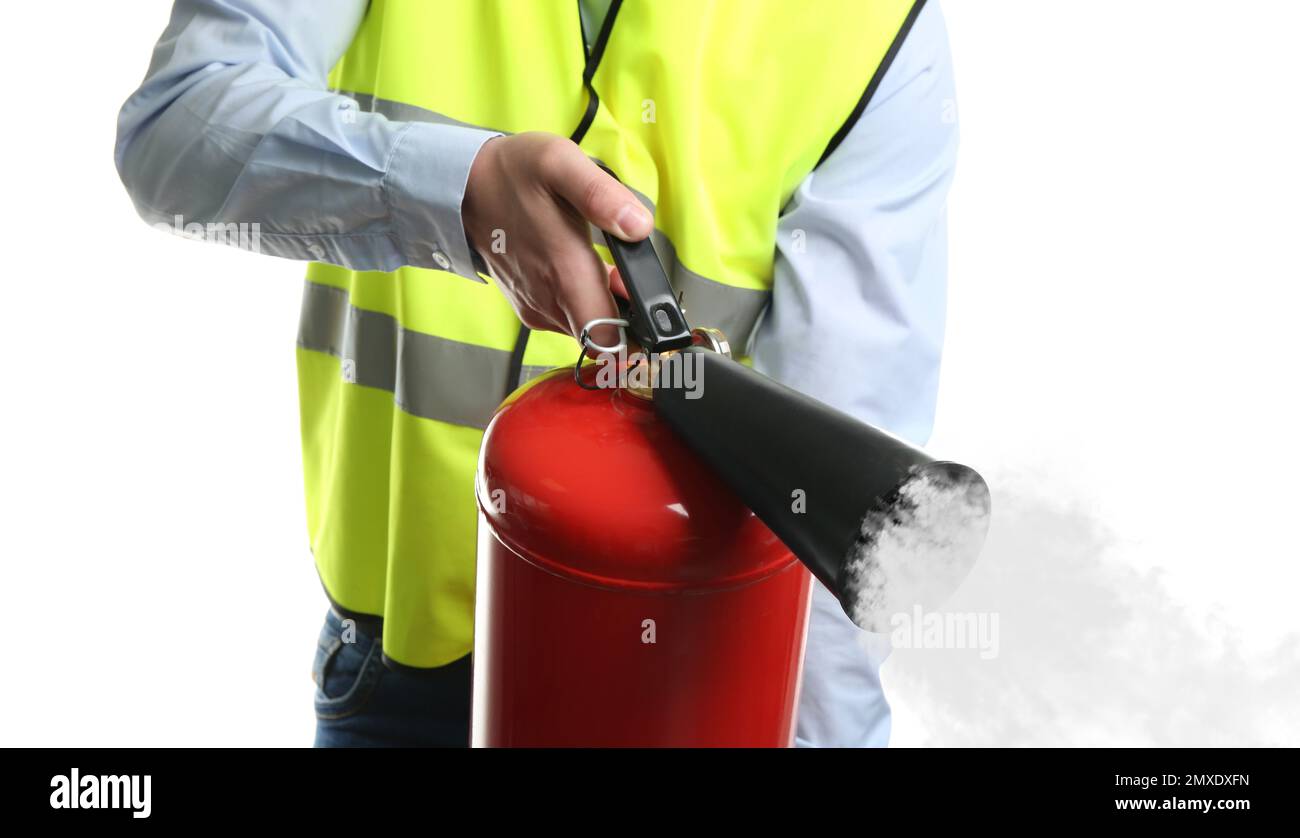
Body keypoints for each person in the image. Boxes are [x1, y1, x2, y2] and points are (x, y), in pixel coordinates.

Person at [115, 0, 958, 747]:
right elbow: (176, 124)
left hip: (680, 697)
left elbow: (835, 527)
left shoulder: (880, 27)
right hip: (399, 673)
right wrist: (457, 193)